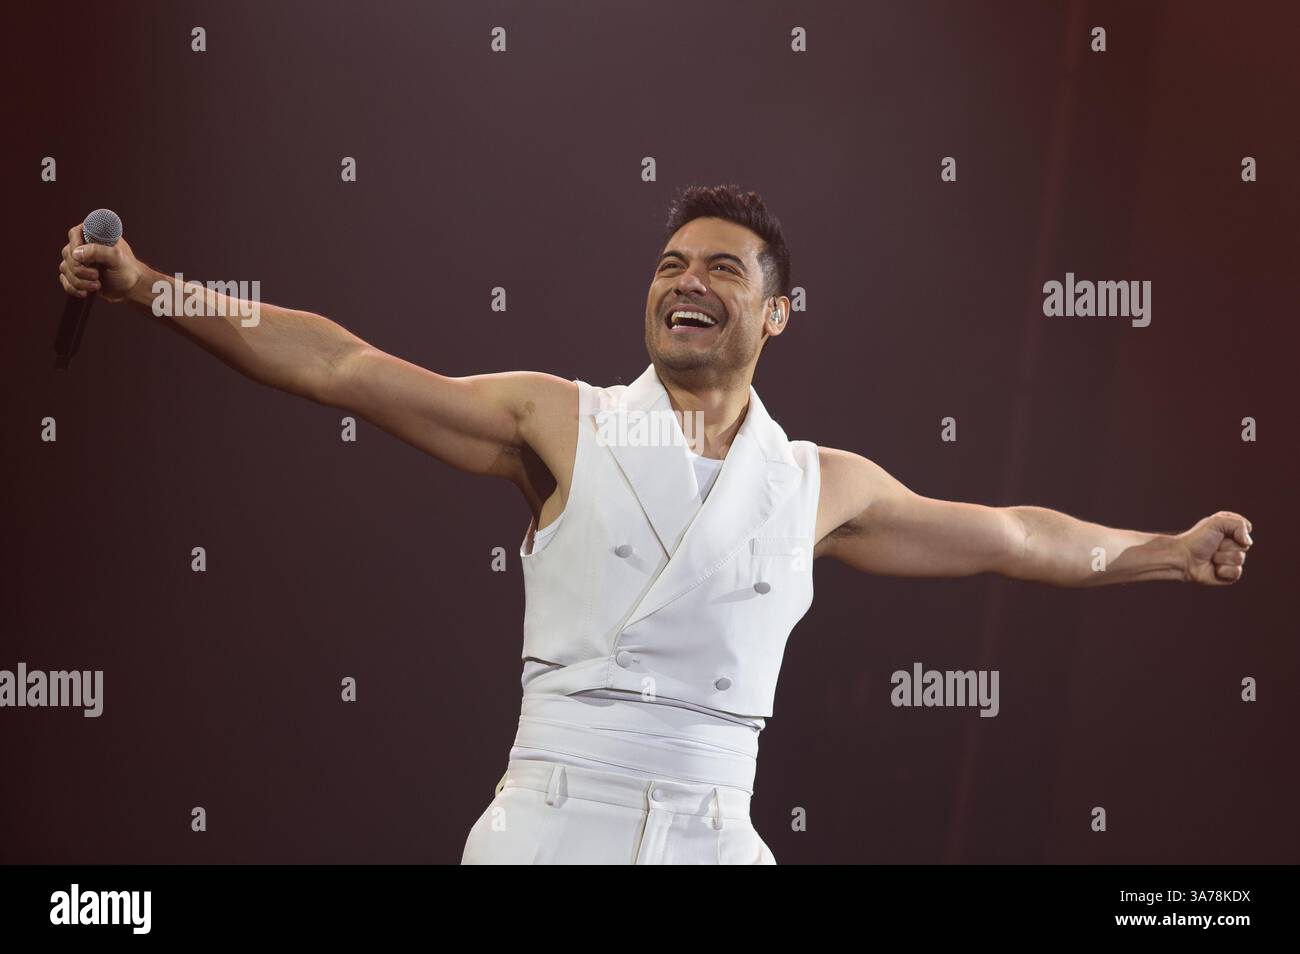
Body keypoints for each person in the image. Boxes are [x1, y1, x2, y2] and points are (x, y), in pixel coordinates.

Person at [56, 184, 1253, 865]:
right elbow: (342, 366)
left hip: (717, 839)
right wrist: (156, 286)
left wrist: (1161, 552)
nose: (687, 279)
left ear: (779, 313)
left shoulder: (819, 483)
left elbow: (1011, 535)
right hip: (549, 829)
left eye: (723, 269)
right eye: (672, 261)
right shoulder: (558, 419)